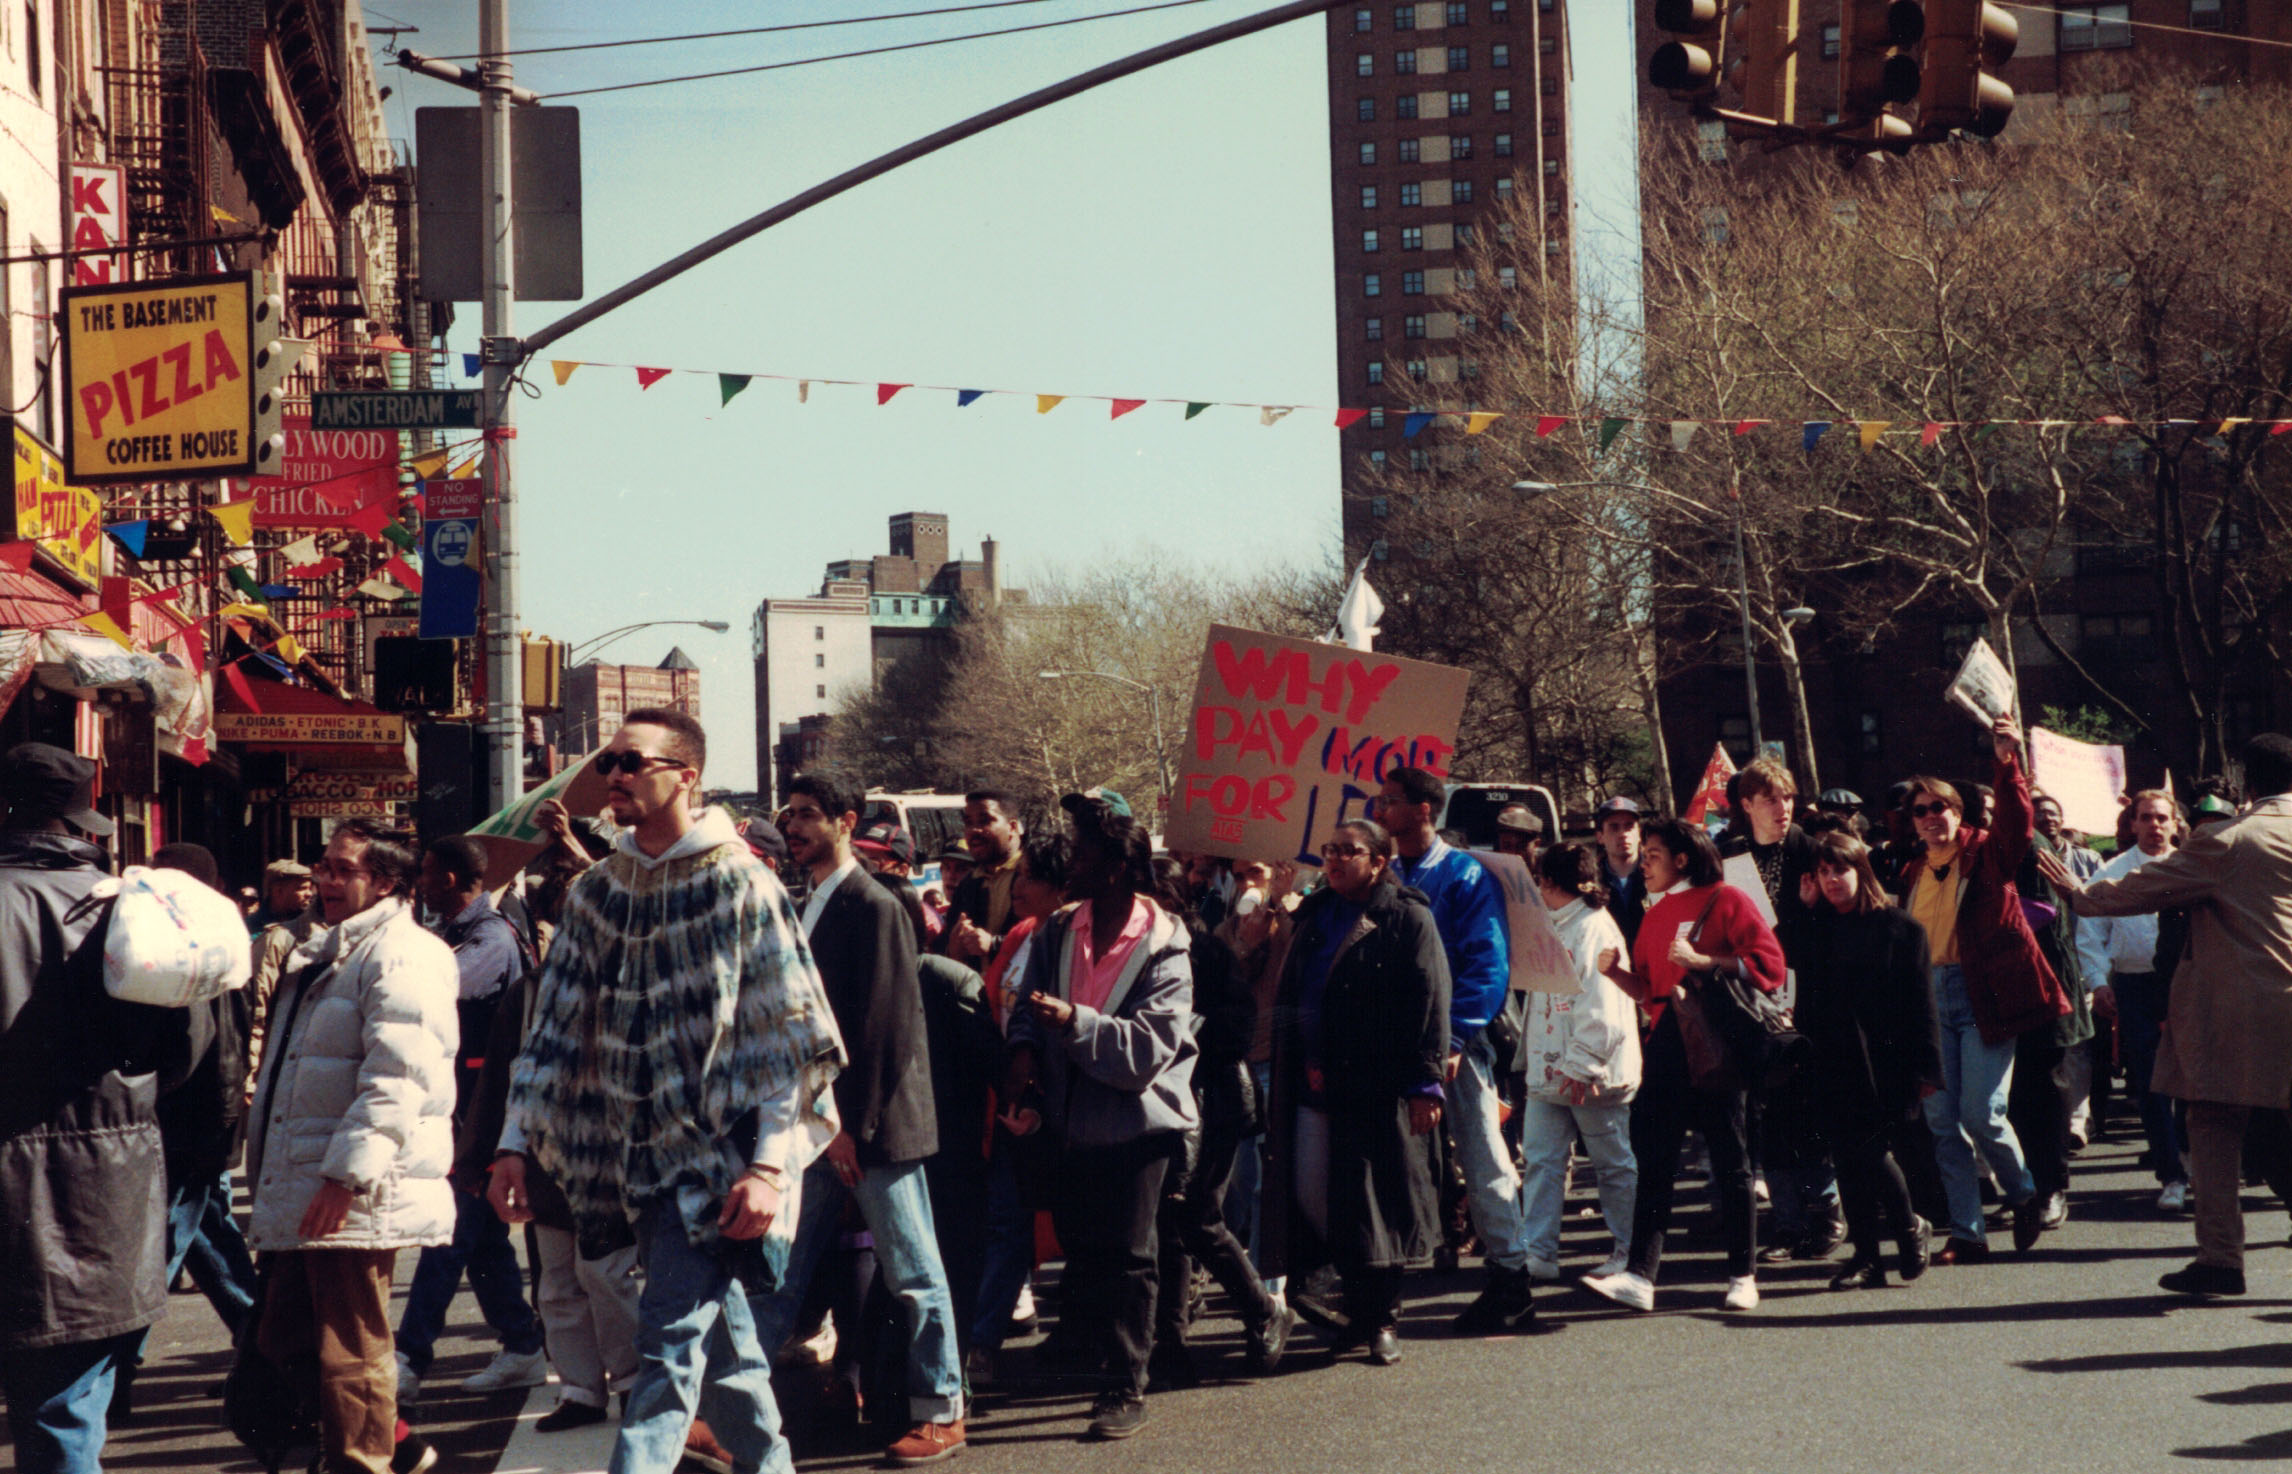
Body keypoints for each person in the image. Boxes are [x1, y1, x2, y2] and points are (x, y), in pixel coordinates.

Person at [491, 709, 846, 1474]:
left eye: (631, 762)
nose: (613, 777)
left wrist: (771, 1167)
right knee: (729, 1362)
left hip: (718, 1162)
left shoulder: (741, 883)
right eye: (608, 764)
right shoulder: (597, 893)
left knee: (668, 1348)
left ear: (685, 775)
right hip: (628, 1162)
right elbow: (551, 1032)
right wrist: (515, 1146)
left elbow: (787, 1037)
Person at [753, 773, 965, 1467]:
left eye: (810, 815)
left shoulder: (873, 903)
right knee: (779, 1269)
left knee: (913, 1272)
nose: (794, 827)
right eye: (790, 816)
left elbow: (888, 1027)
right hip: (816, 1125)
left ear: (847, 821)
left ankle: (942, 1410)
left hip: (872, 1128)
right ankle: (736, 1409)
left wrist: (851, 1128)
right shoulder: (809, 900)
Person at [0, 745, 199, 1474]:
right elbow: (184, 1053)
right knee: (64, 1411)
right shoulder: (133, 909)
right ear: (85, 823)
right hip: (101, 1191)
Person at [2041, 733, 2292, 1298]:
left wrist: (2082, 894)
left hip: (2243, 1009)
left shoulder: (2231, 839)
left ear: (2248, 781)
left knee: (2214, 1121)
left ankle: (2221, 1259)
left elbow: (2148, 885)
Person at [245, 818, 458, 1474]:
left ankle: (365, 1459)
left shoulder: (402, 953)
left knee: (351, 1348)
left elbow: (397, 1079)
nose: (325, 879)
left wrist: (346, 1177)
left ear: (385, 882)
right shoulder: (329, 948)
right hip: (309, 1180)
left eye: (344, 870)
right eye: (324, 865)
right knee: (285, 1335)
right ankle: (394, 1444)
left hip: (353, 1189)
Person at [1002, 795, 1198, 1441]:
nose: (1072, 863)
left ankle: (1125, 1385)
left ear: (1115, 867)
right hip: (1070, 1123)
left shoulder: (1167, 949)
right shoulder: (1058, 929)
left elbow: (1143, 1054)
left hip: (1139, 1127)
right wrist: (1025, 1052)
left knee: (1131, 1256)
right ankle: (1086, 1351)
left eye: (1083, 853)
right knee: (1086, 1247)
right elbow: (1028, 1005)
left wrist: (1075, 1022)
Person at [452, 828, 637, 1433]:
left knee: (607, 1276)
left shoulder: (635, 983)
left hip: (615, 1157)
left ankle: (634, 1383)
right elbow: (507, 1081)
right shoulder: (530, 993)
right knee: (556, 1282)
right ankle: (581, 1390)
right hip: (544, 1152)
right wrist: (492, 1154)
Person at [1260, 819, 1450, 1363]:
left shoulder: (1406, 916)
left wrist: (1424, 1083)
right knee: (1315, 1197)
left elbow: (1430, 1000)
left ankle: (1382, 1317)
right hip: (1312, 1085)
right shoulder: (1315, 915)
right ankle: (1350, 1309)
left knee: (1378, 1202)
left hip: (1380, 1087)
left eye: (1350, 851)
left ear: (1380, 861)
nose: (1336, 859)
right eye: (1330, 850)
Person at [1585, 817, 1784, 1313]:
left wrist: (1704, 961)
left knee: (1730, 1160)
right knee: (1655, 1161)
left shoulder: (1727, 898)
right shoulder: (1654, 914)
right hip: (1667, 1045)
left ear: (1682, 858)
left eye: (1653, 853)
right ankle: (1641, 1276)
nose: (1644, 862)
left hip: (1717, 1044)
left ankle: (1743, 1274)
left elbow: (1770, 966)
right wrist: (1617, 976)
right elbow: (1652, 992)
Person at [1897, 715, 2067, 1265]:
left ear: (1958, 811)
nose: (1930, 818)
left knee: (1981, 1114)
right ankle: (1967, 1233)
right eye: (1920, 811)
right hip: (1930, 1000)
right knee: (1942, 1122)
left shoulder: (1988, 853)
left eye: (1939, 807)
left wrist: (2006, 759)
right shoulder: (1911, 873)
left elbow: (2017, 821)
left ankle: (2022, 1193)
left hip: (1982, 997)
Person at [393, 835, 549, 1404]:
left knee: (448, 1233)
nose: (421, 882)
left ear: (455, 880)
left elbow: (436, 989)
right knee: (479, 1237)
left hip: (482, 1114)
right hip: (462, 1110)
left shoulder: (488, 937)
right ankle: (523, 1345)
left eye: (429, 872)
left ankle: (409, 1359)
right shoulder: (455, 933)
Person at [1372, 767, 1523, 1322]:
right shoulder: (1382, 874)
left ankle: (1512, 1279)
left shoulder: (1464, 876)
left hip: (1455, 1044)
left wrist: (1456, 1036)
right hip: (1394, 1045)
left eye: (1390, 802)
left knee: (1482, 1155)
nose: (1380, 810)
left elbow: (1488, 964)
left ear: (1423, 810)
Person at [119, 845, 260, 1415]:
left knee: (161, 1249)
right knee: (205, 1236)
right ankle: (264, 1346)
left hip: (183, 1127)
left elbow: (199, 1048)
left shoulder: (173, 949)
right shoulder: (225, 943)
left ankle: (116, 1367)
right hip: (204, 1125)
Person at [1146, 858, 1293, 1384]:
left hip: (1215, 1101)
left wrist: (1177, 1036)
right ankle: (1171, 1342)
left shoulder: (1202, 950)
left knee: (1200, 1215)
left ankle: (1264, 1310)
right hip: (1162, 1103)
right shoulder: (1135, 955)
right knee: (1167, 1221)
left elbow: (1237, 1027)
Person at [1786, 832, 1943, 1291]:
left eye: (1840, 870)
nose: (1832, 880)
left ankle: (1910, 1227)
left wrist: (1927, 1070)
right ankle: (1868, 1257)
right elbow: (1786, 960)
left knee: (1870, 1153)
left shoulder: (1900, 927)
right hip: (1830, 1058)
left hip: (1885, 1063)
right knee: (1848, 1159)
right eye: (1823, 872)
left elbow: (1922, 1004)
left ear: (1861, 870)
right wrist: (1803, 907)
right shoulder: (1817, 925)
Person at [1722, 756, 1842, 1267]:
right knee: (1766, 1116)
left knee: (1810, 1112)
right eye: (1770, 798)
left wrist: (1814, 908)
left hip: (1807, 1001)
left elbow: (1842, 926)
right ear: (1746, 805)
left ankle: (1828, 1215)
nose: (1782, 807)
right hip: (1753, 1001)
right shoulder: (1728, 856)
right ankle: (1788, 1222)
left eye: (1788, 797)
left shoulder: (1814, 853)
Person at [1508, 843, 1638, 1294]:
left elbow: (1604, 1006)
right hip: (1549, 1067)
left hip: (1592, 1074)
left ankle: (1629, 1249)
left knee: (1611, 1162)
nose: (1539, 887)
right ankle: (1538, 1251)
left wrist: (1582, 1066)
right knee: (1542, 1160)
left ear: (1552, 883)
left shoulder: (1595, 929)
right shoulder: (1552, 923)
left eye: (1542, 880)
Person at [2074, 790, 2188, 1212]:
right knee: (2152, 1081)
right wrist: (2099, 982)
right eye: (2146, 818)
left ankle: (2191, 1153)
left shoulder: (2190, 867)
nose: (2155, 825)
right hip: (2135, 987)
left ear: (2175, 823)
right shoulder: (2112, 872)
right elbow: (2090, 933)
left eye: (2162, 817)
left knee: (2194, 1079)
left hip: (2187, 984)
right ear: (2133, 823)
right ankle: (2171, 1174)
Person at [939, 790, 1025, 966]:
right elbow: (949, 947)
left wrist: (994, 945)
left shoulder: (1036, 875)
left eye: (985, 821)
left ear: (1013, 827)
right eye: (968, 823)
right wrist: (953, 949)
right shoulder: (969, 883)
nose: (974, 831)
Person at [1592, 797, 1648, 946]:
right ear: (1600, 837)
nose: (1623, 834)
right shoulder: (1590, 880)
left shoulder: (1659, 873)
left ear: (1639, 834)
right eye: (1614, 827)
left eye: (1629, 826)